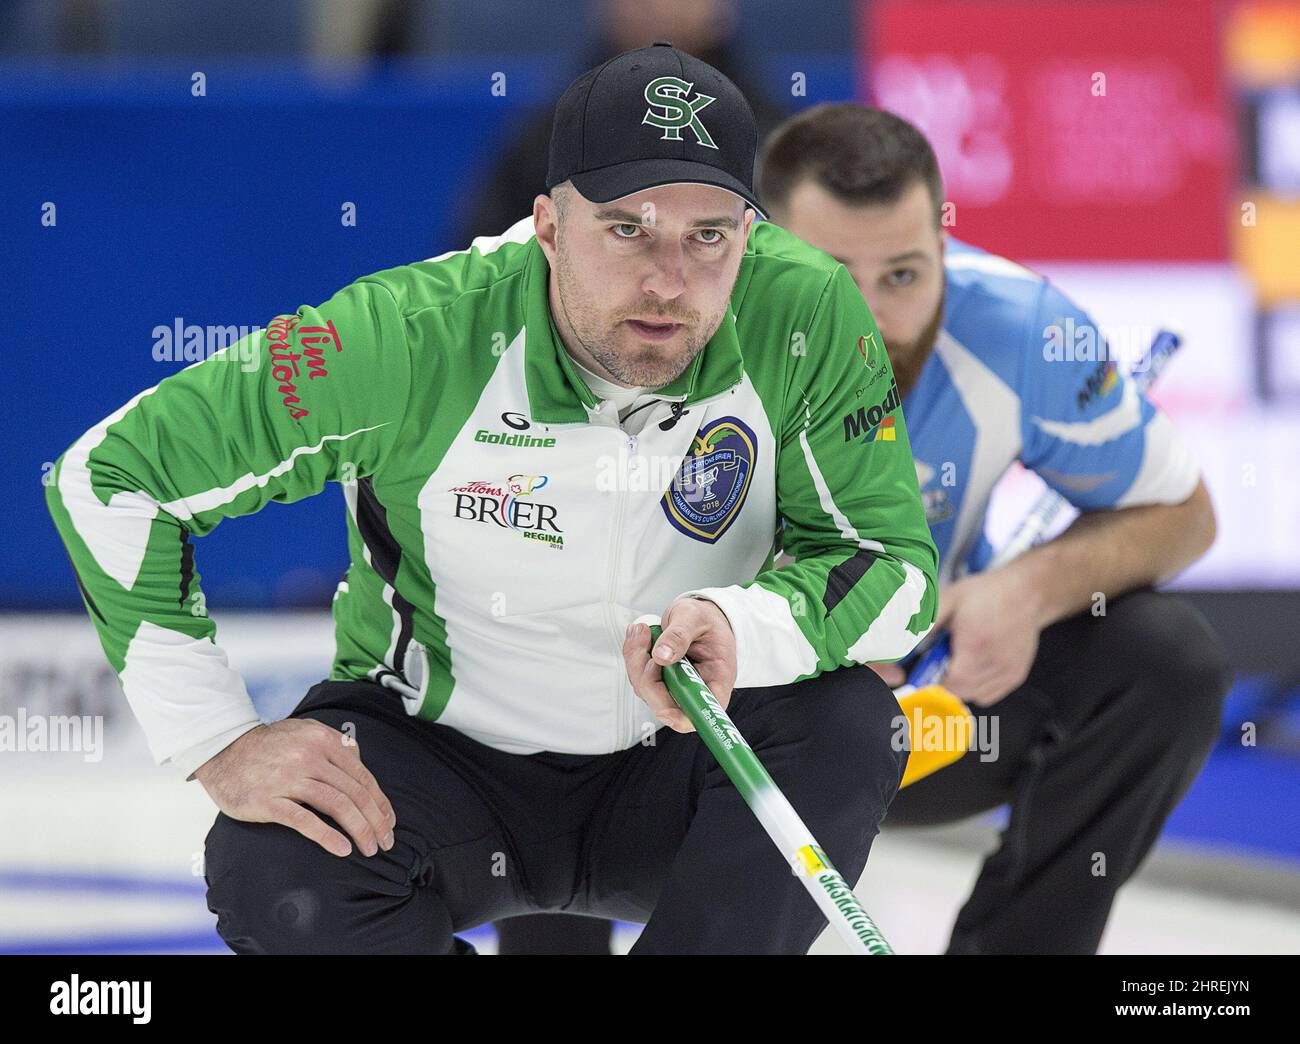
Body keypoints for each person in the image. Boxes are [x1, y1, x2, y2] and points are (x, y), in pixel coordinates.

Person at [45, 47, 938, 955]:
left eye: (708, 236)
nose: (669, 280)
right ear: (548, 226)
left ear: (750, 231)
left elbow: (896, 572)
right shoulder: (404, 339)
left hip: (683, 759)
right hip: (440, 758)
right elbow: (110, 476)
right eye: (627, 229)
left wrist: (744, 624)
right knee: (275, 867)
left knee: (847, 724)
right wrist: (217, 739)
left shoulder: (806, 313)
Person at [757, 102, 1231, 954]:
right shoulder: (670, 327)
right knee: (551, 681)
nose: (867, 322)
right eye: (829, 276)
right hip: (710, 715)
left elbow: (1185, 514)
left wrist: (1026, 590)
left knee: (1164, 660)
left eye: (904, 275)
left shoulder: (1019, 329)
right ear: (760, 253)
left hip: (928, 708)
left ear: (945, 248)